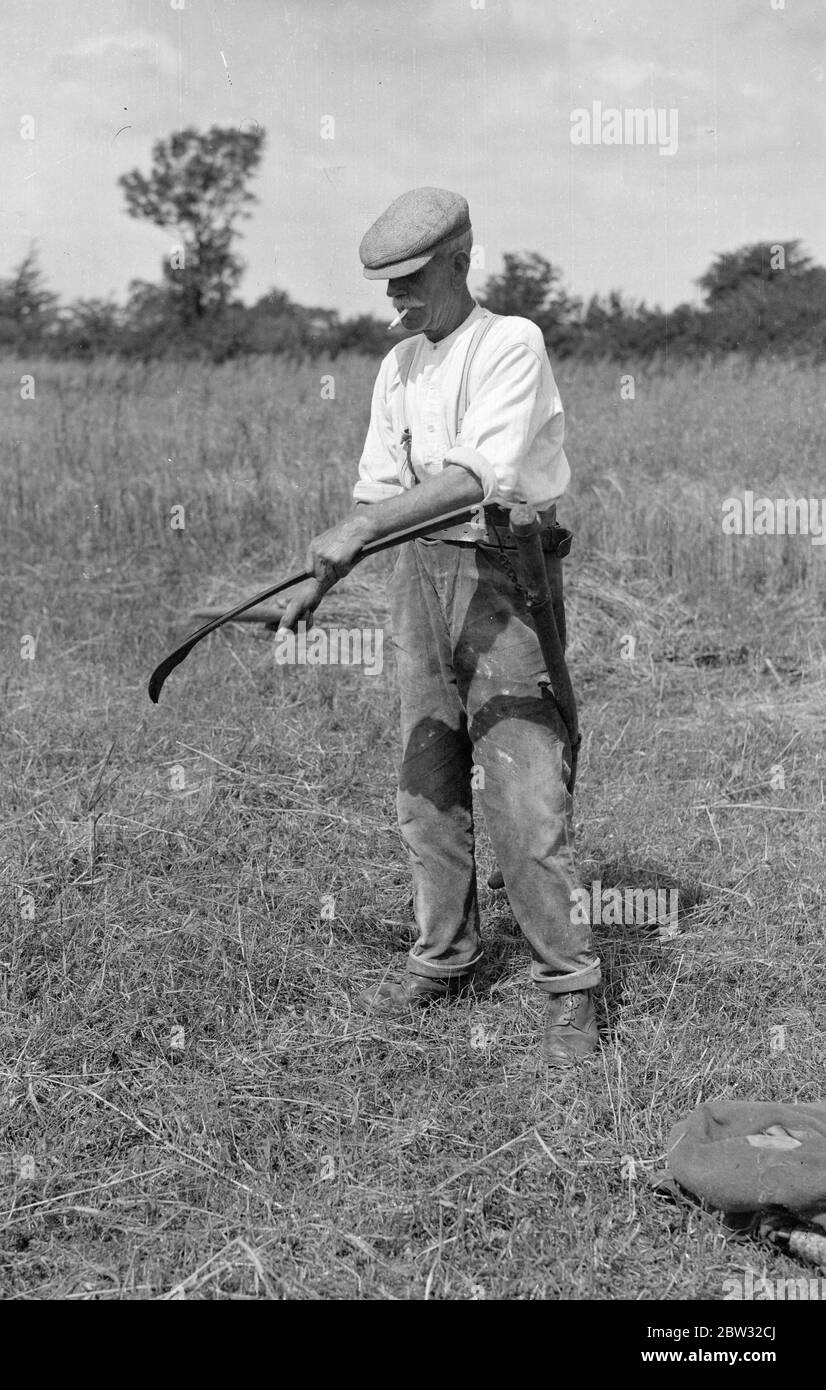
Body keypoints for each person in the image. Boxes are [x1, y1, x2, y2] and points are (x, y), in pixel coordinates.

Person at [278, 188, 600, 1067]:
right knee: (427, 779)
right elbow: (380, 490)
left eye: (411, 280)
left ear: (460, 259)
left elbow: (472, 478)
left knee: (524, 790)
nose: (397, 300)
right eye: (387, 286)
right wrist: (322, 578)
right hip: (419, 574)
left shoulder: (511, 343)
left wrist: (356, 533)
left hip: (503, 573)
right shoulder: (397, 367)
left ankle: (568, 983)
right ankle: (446, 957)